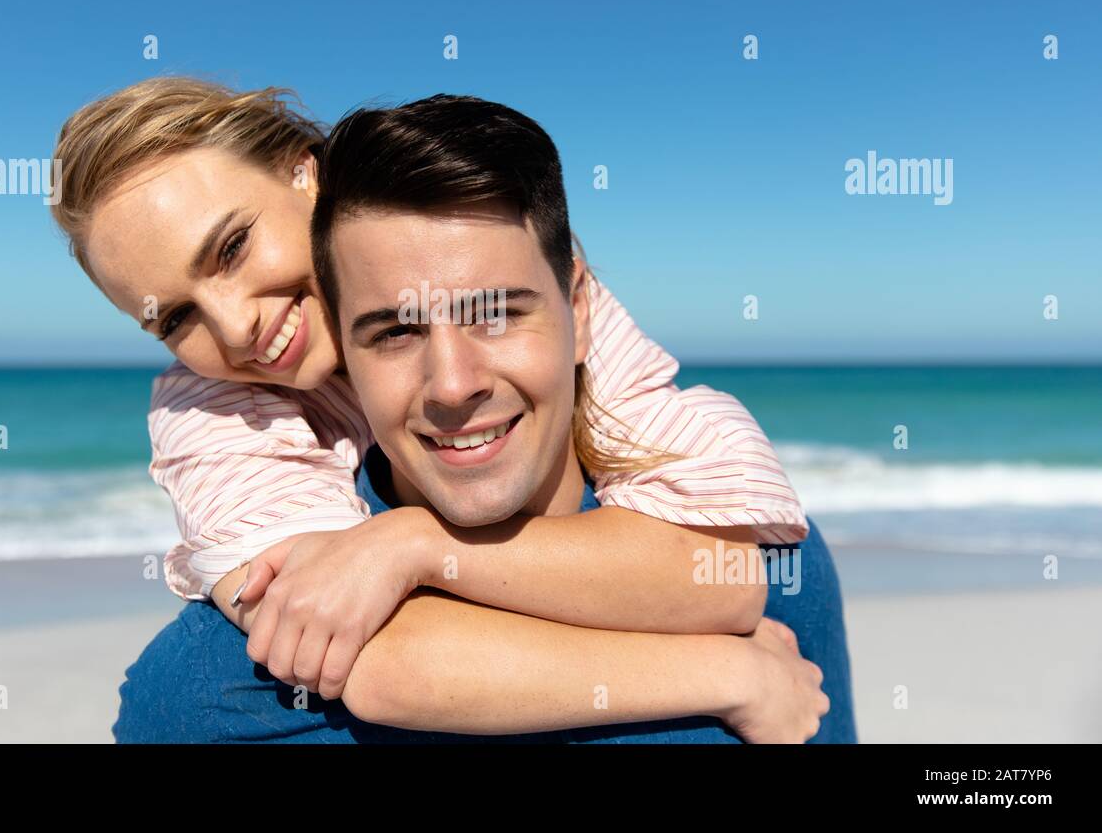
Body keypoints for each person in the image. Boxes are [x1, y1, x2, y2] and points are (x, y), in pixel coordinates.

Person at [77, 90, 856, 742]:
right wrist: (731, 672)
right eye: (172, 317)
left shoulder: (525, 277)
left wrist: (412, 543)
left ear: (307, 177)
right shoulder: (209, 420)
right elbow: (373, 658)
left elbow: (724, 580)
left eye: (233, 247)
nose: (233, 325)